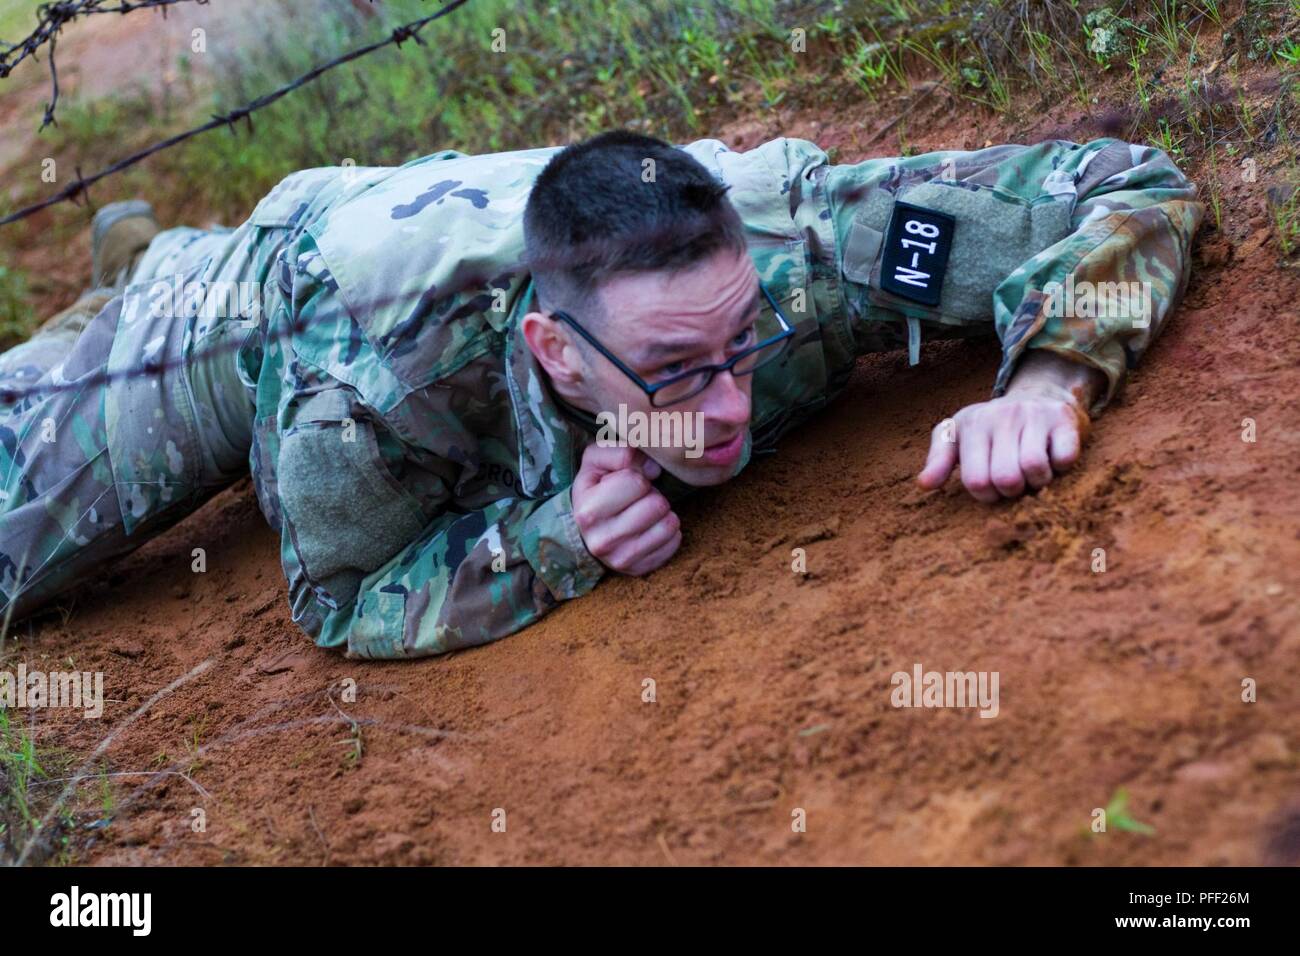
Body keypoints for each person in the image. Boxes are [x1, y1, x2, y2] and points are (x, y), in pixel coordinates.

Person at [0, 130, 1203, 657]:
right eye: (676, 375)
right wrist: (552, 537)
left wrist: (1050, 375)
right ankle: (150, 276)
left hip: (455, 210)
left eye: (743, 343)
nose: (729, 405)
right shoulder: (364, 391)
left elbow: (1125, 181)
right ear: (556, 353)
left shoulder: (805, 239)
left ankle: (137, 259)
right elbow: (339, 594)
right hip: (257, 309)